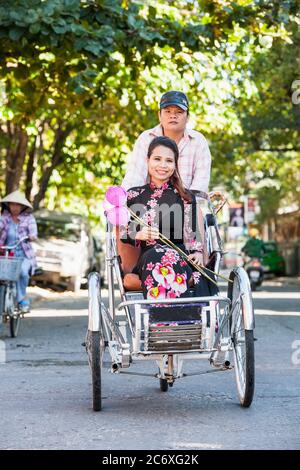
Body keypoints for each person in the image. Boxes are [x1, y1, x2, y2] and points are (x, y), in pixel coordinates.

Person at [120, 135, 216, 305]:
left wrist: (198, 253)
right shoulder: (133, 195)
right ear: (147, 160)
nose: (163, 165)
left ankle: (169, 320)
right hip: (147, 257)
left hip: (180, 257)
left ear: (175, 164)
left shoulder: (185, 196)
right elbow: (122, 230)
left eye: (169, 161)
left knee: (170, 256)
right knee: (158, 255)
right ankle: (171, 319)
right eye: (157, 159)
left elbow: (194, 232)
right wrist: (138, 233)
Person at [122, 90, 212, 194]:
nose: (173, 116)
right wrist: (123, 203)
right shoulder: (146, 139)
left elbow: (200, 184)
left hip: (188, 204)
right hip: (148, 205)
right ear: (159, 115)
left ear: (187, 117)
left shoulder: (198, 141)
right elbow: (134, 177)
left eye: (179, 112)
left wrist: (191, 207)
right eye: (168, 111)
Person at [0, 190, 38, 313]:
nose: (14, 207)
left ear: (22, 206)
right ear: (8, 205)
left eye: (17, 205)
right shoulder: (5, 217)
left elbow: (33, 232)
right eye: (12, 204)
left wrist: (32, 236)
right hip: (6, 254)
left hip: (23, 255)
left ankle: (21, 299)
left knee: (22, 273)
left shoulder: (28, 218)